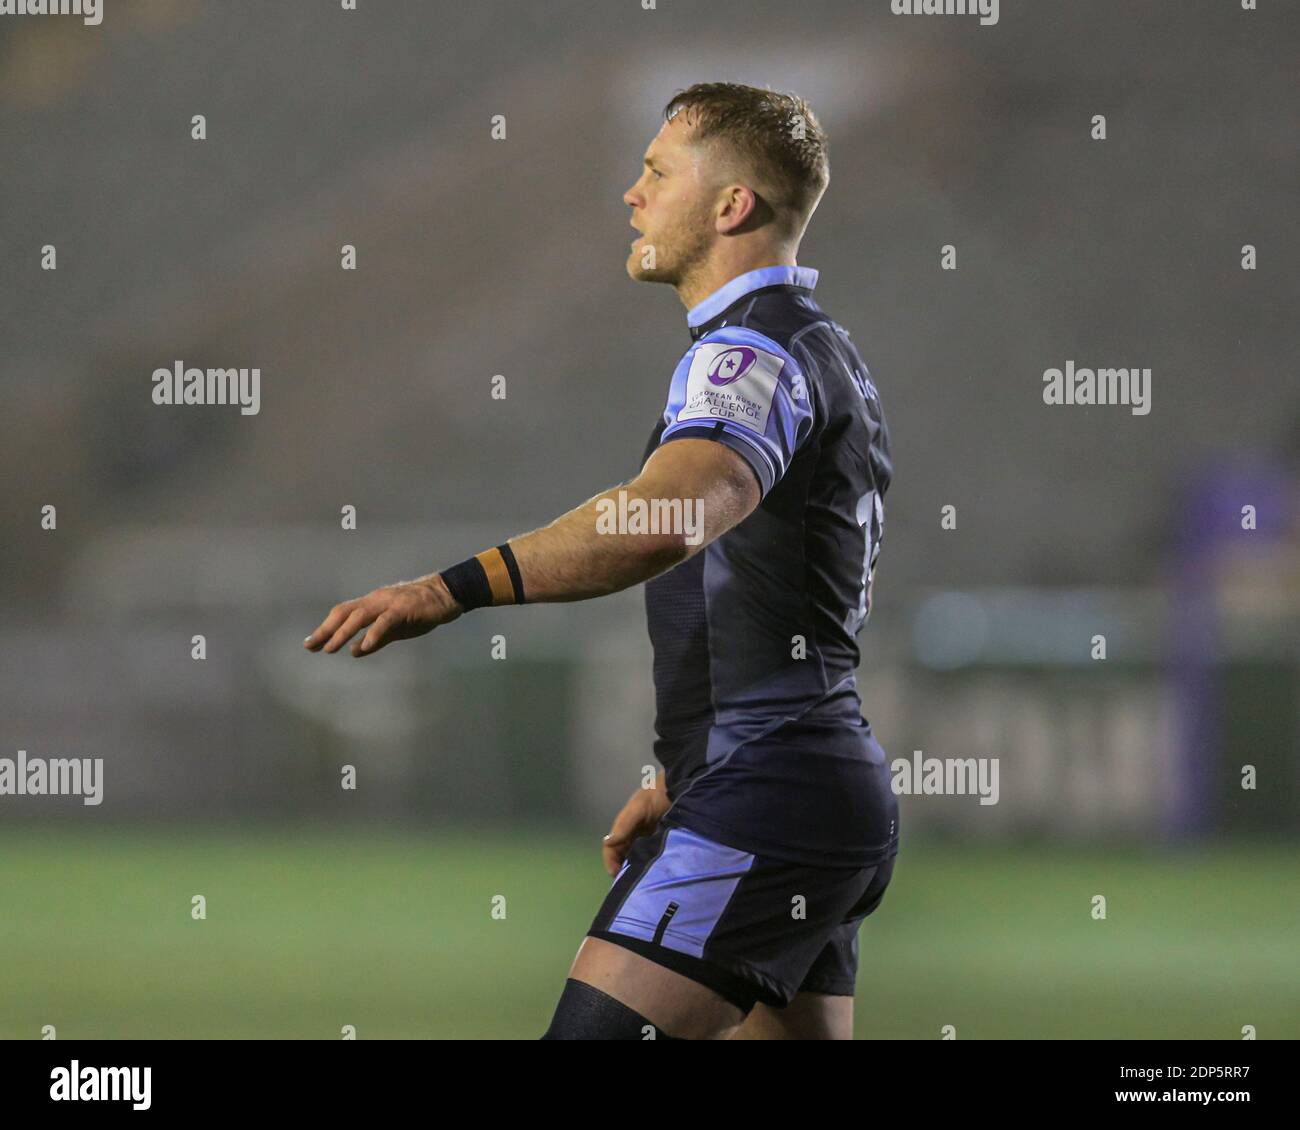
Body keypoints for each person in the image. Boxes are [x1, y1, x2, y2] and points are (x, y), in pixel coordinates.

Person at [305, 82, 898, 1040]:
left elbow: (670, 517)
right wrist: (682, 766)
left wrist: (450, 589)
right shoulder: (829, 353)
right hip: (805, 785)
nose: (633, 193)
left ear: (730, 205)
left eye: (657, 172)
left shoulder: (745, 351)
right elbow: (795, 587)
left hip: (769, 798)